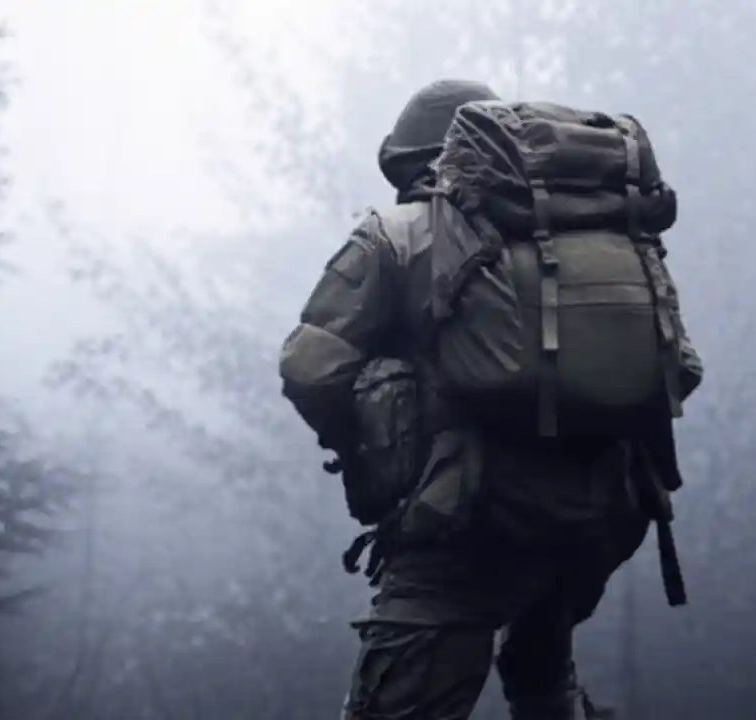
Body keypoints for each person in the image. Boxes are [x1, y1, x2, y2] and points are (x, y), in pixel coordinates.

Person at [279, 79, 702, 720]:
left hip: (465, 527)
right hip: (598, 518)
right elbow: (682, 369)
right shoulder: (599, 235)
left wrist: (372, 451)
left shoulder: (397, 235)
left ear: (407, 161)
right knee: (541, 668)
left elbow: (310, 367)